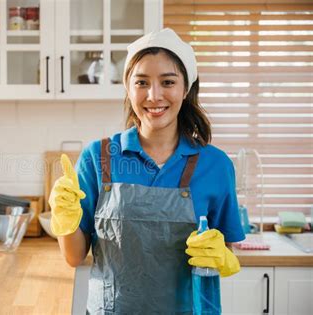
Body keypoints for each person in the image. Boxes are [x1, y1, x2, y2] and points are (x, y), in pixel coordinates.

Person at [49, 28, 245, 314]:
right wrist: (64, 218)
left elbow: (226, 249)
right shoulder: (98, 157)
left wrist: (223, 258)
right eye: (142, 82)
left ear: (185, 89)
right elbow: (74, 256)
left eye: (168, 82)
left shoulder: (215, 165)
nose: (154, 96)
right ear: (128, 87)